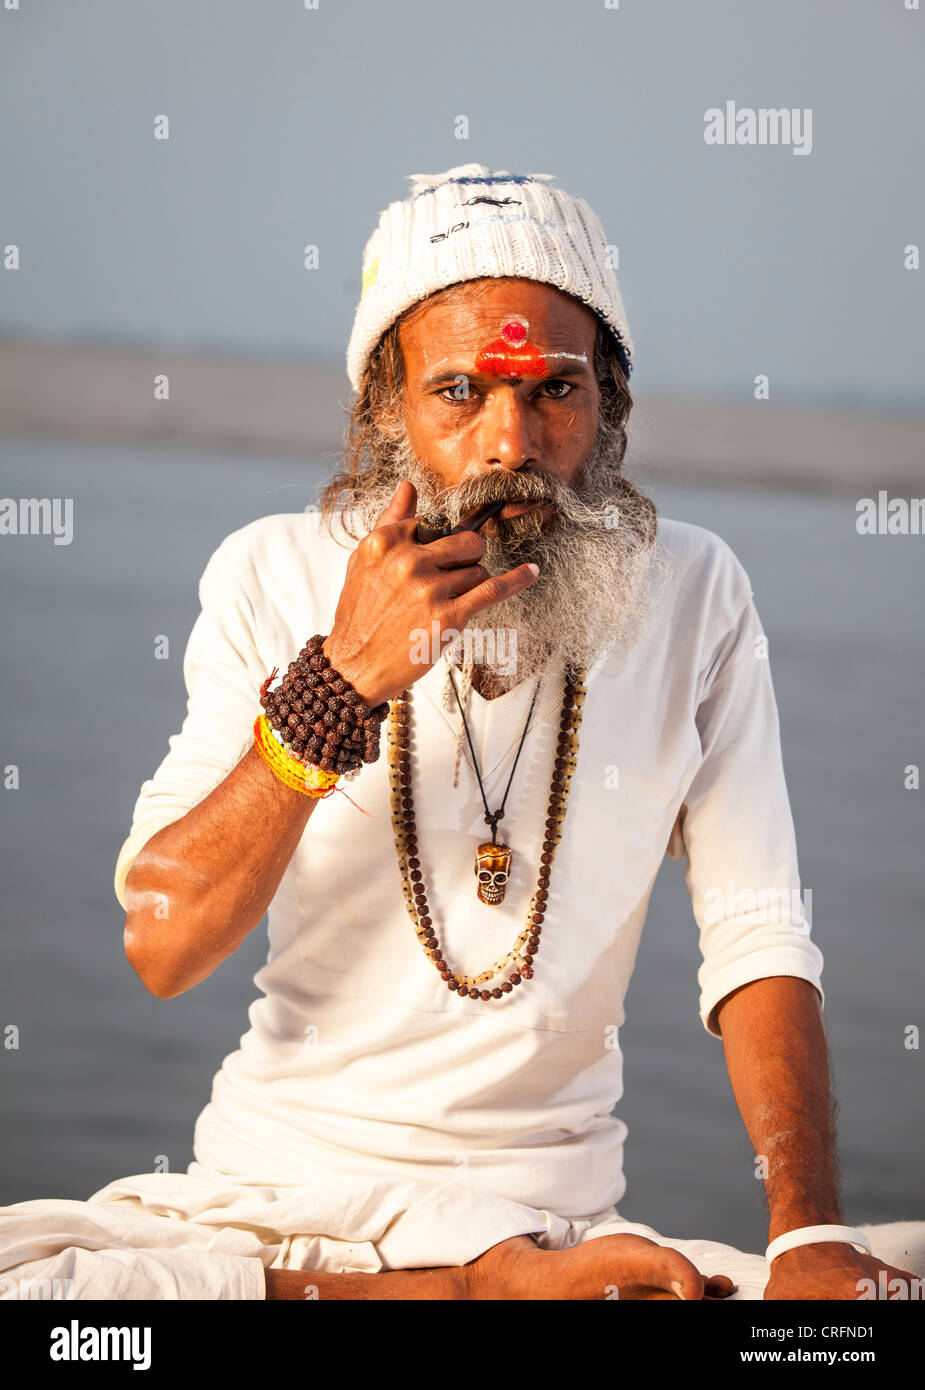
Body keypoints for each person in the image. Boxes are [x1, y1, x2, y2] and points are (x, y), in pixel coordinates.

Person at [1, 163, 922, 1302]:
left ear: (610, 410)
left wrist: (806, 1240)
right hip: (279, 1210)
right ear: (384, 411)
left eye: (555, 391)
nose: (510, 441)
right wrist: (337, 684)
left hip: (558, 1231)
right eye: (459, 393)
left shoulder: (694, 593)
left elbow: (758, 938)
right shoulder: (273, 572)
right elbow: (161, 941)